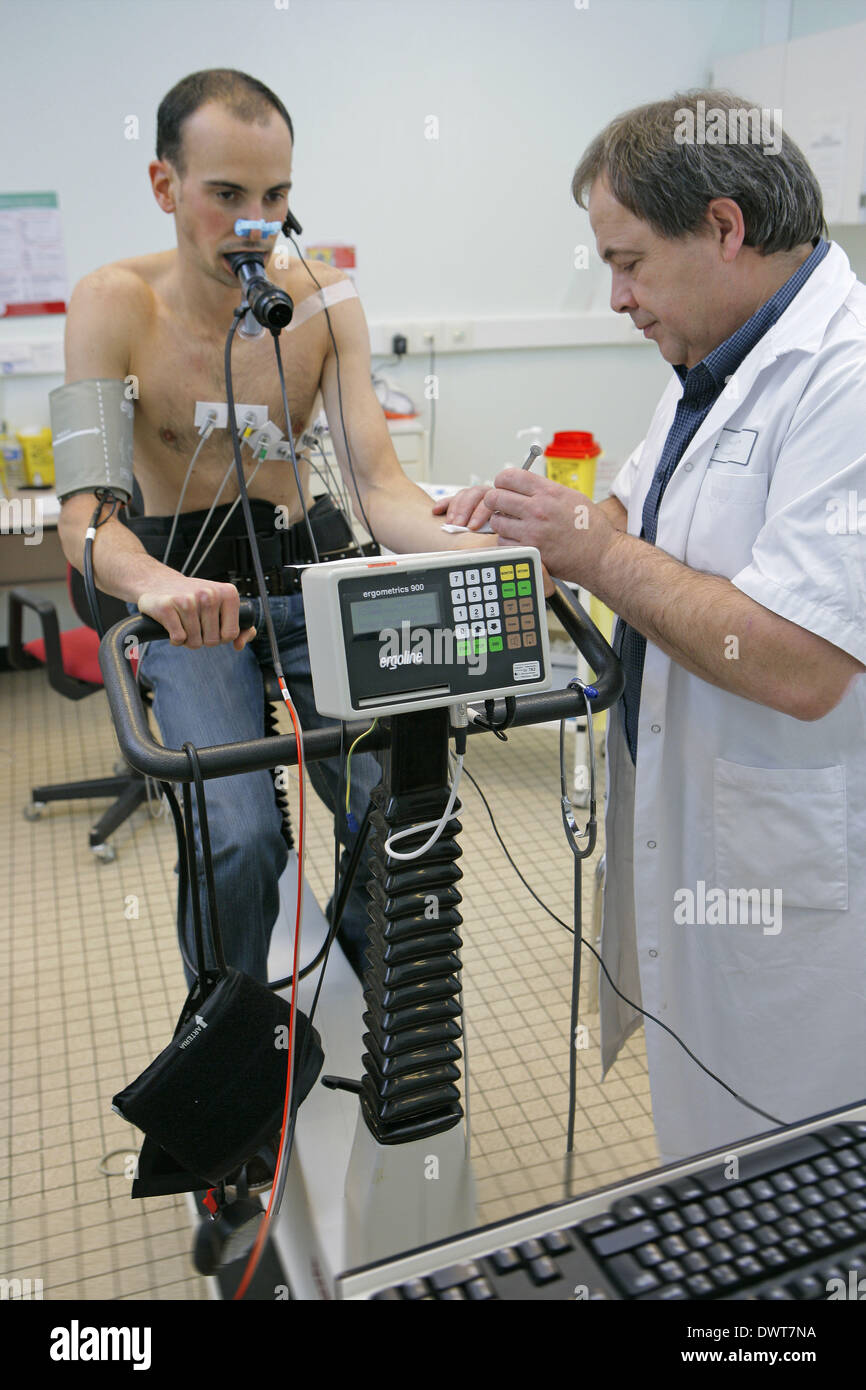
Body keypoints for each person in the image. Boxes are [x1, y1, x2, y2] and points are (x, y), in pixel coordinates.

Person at [436, 91, 866, 1162]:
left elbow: (804, 661)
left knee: (794, 1181)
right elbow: (631, 516)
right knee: (712, 1153)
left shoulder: (842, 384)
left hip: (795, 874)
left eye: (627, 262)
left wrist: (590, 550)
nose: (615, 298)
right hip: (705, 836)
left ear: (723, 228)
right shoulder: (710, 364)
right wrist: (529, 523)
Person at [57, 68, 490, 987]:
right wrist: (155, 587)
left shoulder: (326, 304)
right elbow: (86, 518)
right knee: (242, 834)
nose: (255, 223)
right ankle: (232, 1040)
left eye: (276, 196)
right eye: (226, 196)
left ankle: (366, 992)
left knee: (401, 806)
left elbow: (380, 489)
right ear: (165, 187)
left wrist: (486, 551)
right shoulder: (111, 304)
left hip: (309, 564)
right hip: (182, 585)